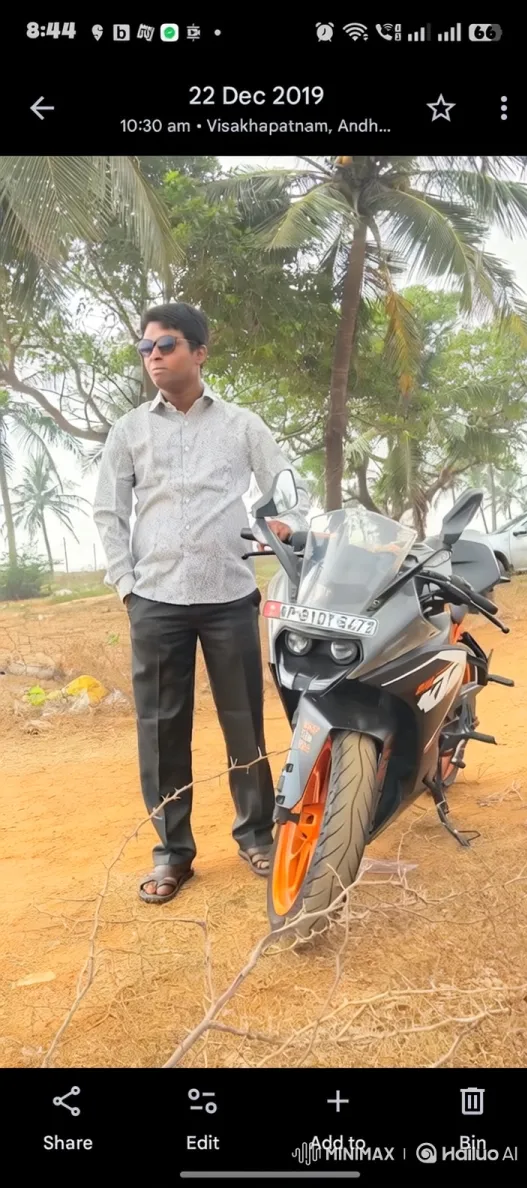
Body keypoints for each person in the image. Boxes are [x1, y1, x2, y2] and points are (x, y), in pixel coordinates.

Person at [93, 303, 310, 903]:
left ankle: (257, 836)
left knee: (243, 721)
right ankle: (172, 853)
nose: (154, 356)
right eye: (146, 349)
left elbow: (288, 488)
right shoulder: (129, 430)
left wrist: (286, 524)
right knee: (162, 729)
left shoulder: (242, 426)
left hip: (229, 596)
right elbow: (108, 511)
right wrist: (126, 586)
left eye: (166, 345)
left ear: (199, 352)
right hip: (155, 599)